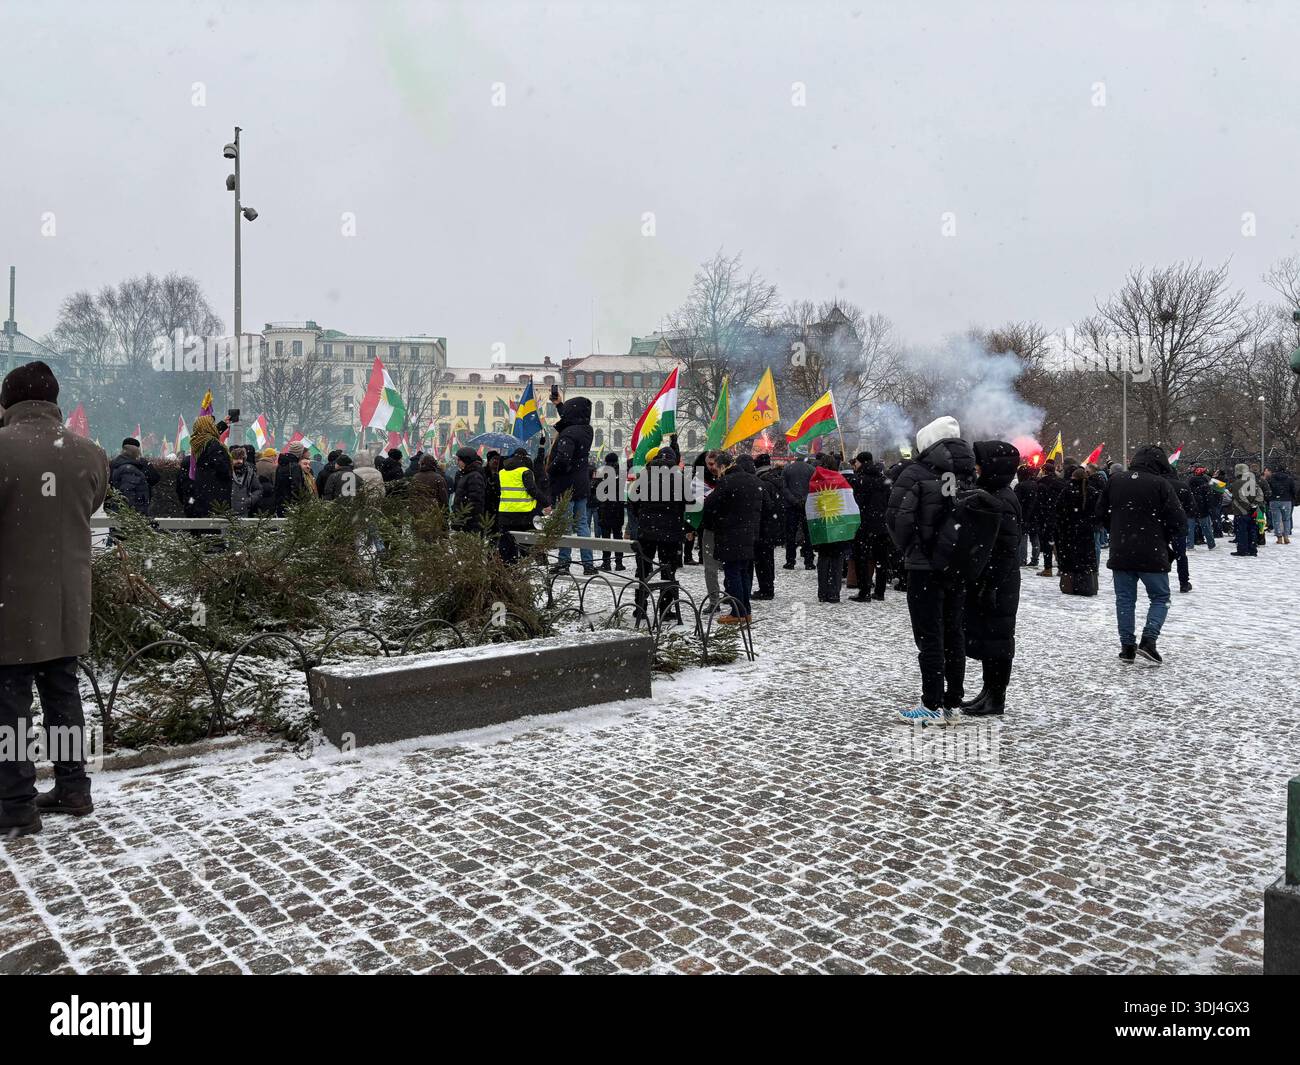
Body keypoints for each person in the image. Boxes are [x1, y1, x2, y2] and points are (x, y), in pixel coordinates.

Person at [0, 361, 108, 833]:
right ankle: (73, 787)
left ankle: (15, 803)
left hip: (10, 599)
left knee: (10, 705)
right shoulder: (89, 453)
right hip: (67, 599)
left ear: (9, 402)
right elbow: (92, 504)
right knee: (63, 694)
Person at [886, 415, 979, 724]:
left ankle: (931, 703)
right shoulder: (967, 475)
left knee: (929, 634)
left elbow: (897, 518)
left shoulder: (915, 473)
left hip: (925, 568)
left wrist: (913, 549)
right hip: (956, 565)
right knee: (954, 632)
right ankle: (953, 701)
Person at [1096, 445, 1186, 664]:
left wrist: (1116, 529)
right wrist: (1164, 533)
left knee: (1125, 601)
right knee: (1160, 597)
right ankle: (1149, 640)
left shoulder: (1115, 481)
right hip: (1152, 552)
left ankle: (1127, 646)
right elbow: (1178, 521)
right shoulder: (1160, 484)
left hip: (1121, 550)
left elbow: (1099, 513)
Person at [961, 441, 1022, 717]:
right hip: (993, 580)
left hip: (1000, 583)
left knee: (998, 641)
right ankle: (988, 691)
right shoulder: (994, 493)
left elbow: (1006, 550)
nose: (976, 468)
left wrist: (991, 583)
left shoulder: (1002, 500)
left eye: (980, 463)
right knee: (989, 639)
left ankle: (996, 696)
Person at [627, 448, 686, 624]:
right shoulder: (679, 478)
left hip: (647, 531)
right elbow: (687, 502)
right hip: (671, 533)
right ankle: (665, 609)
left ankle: (640, 606)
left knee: (643, 569)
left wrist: (644, 517)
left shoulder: (644, 476)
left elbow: (633, 502)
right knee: (668, 570)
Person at [702, 451, 762, 622]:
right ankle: (745, 611)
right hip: (749, 534)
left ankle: (737, 613)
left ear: (723, 466)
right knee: (743, 573)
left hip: (731, 535)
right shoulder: (754, 480)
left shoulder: (727, 482)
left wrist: (717, 520)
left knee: (733, 573)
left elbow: (710, 506)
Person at [546, 395, 596, 574]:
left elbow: (562, 460)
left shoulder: (568, 434)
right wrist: (559, 405)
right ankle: (588, 564)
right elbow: (570, 419)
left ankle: (563, 562)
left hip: (565, 486)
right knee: (583, 525)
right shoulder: (587, 430)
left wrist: (550, 470)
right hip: (581, 484)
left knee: (565, 526)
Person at [1054, 464, 1104, 595]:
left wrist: (1062, 525)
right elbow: (1098, 511)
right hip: (1085, 532)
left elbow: (1058, 510)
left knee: (1070, 559)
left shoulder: (1067, 490)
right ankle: (1087, 586)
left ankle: (1069, 586)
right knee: (1086, 559)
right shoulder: (1092, 491)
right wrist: (1091, 523)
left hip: (1069, 531)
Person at [849, 452, 891, 602]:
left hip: (865, 524)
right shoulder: (884, 479)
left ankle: (864, 591)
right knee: (882, 560)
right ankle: (880, 591)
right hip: (882, 525)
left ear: (862, 462)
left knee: (862, 558)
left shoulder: (860, 480)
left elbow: (857, 503)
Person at [810, 453, 851, 604]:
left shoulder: (815, 481)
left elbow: (811, 504)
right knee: (837, 560)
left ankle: (822, 592)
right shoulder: (841, 480)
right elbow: (848, 502)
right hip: (838, 524)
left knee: (823, 559)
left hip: (821, 523)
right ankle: (834, 592)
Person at [176, 414, 233, 517]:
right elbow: (223, 469)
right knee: (212, 530)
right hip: (214, 499)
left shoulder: (197, 442)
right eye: (212, 424)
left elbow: (208, 433)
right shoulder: (214, 445)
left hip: (198, 499)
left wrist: (223, 424)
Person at [496, 448, 545, 562]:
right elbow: (532, 490)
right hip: (523, 514)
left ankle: (508, 568)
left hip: (505, 513)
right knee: (525, 543)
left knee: (507, 546)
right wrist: (545, 502)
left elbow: (499, 491)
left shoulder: (502, 472)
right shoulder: (525, 471)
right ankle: (524, 566)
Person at [752, 454, 785, 600]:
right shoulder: (776, 479)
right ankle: (768, 585)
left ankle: (766, 589)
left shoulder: (762, 482)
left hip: (763, 526)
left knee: (762, 560)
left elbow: (764, 507)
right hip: (774, 525)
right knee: (768, 558)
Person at [780, 453, 816, 569]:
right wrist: (804, 499)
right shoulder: (811, 469)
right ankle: (809, 561)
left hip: (791, 506)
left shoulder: (787, 469)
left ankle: (790, 561)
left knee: (790, 534)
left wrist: (794, 500)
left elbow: (784, 488)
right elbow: (813, 487)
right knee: (808, 534)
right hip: (807, 506)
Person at [107, 436, 158, 516]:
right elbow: (127, 494)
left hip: (118, 512)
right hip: (131, 516)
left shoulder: (115, 464)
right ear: (136, 451)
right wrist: (134, 514)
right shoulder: (131, 469)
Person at [594, 452, 626, 571]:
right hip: (618, 508)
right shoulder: (622, 472)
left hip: (605, 508)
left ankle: (606, 563)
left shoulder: (602, 472)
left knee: (606, 537)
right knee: (618, 536)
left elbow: (595, 488)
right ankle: (619, 563)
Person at [1033, 460, 1066, 577]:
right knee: (1060, 543)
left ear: (1044, 471)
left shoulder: (1042, 484)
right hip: (1060, 517)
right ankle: (1062, 568)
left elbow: (1039, 503)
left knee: (1047, 544)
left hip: (1047, 517)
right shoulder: (1061, 482)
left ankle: (1048, 568)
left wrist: (1039, 517)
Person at [1229, 462, 1265, 557]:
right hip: (1253, 512)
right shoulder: (1253, 482)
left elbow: (1239, 497)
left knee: (1241, 531)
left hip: (1241, 511)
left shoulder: (1236, 483)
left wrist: (1248, 506)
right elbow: (1260, 495)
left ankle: (1242, 550)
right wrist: (1254, 505)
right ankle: (1252, 549)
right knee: (1252, 530)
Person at [451, 446, 489, 532]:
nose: (457, 463)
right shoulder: (466, 474)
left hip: (469, 523)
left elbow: (475, 502)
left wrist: (464, 517)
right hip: (463, 520)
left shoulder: (474, 476)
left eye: (459, 460)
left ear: (466, 460)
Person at [1013, 464, 1039, 567]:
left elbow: (1017, 502)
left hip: (1023, 514)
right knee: (1034, 538)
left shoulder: (1020, 486)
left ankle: (1022, 559)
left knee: (1023, 537)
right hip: (1035, 514)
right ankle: (1035, 558)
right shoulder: (1036, 484)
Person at [1186, 465, 1217, 550]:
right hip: (1203, 509)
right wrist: (1210, 508)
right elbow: (1209, 498)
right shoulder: (1206, 484)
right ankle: (1211, 544)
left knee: (1190, 528)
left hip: (1191, 508)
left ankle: (1190, 545)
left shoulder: (1189, 482)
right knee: (1206, 527)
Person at [230, 445, 266, 517]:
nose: (238, 461)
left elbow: (258, 489)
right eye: (235, 458)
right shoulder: (226, 472)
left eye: (240, 458)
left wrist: (250, 500)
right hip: (229, 511)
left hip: (245, 511)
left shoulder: (250, 473)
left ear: (244, 459)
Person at [274, 443, 308, 515]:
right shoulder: (295, 466)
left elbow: (276, 485)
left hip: (281, 502)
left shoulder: (280, 465)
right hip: (292, 504)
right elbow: (297, 487)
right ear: (299, 453)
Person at [1267, 463, 1295, 543]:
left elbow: (1268, 490)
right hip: (1286, 501)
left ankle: (1279, 537)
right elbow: (1293, 490)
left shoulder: (1272, 478)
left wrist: (1270, 497)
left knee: (1276, 520)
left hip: (1274, 501)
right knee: (1286, 519)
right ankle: (1286, 536)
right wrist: (1292, 498)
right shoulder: (1289, 478)